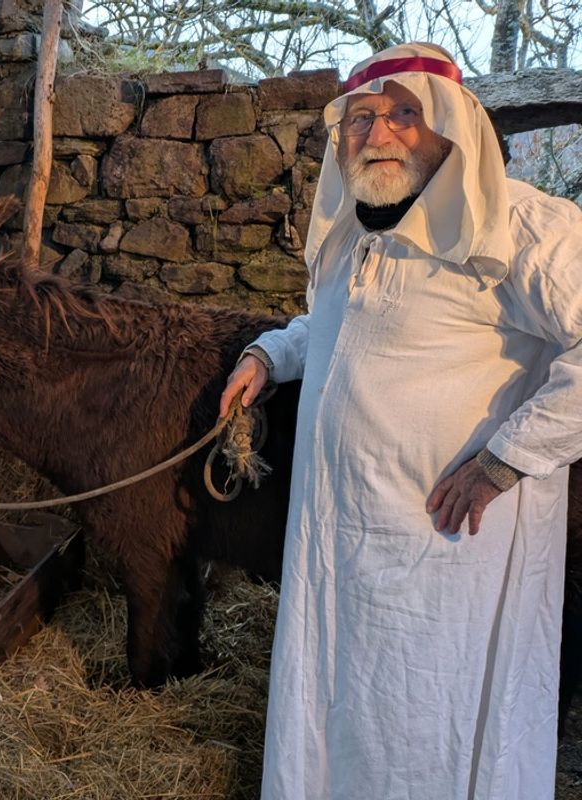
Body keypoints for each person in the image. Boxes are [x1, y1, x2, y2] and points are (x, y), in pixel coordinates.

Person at [220, 43, 582, 799]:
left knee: (430, 728)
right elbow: (335, 327)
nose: (377, 132)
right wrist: (270, 355)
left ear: (450, 123)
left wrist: (504, 459)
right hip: (339, 548)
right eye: (361, 117)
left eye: (403, 114)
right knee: (341, 708)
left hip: (445, 558)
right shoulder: (358, 229)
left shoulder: (522, 227)